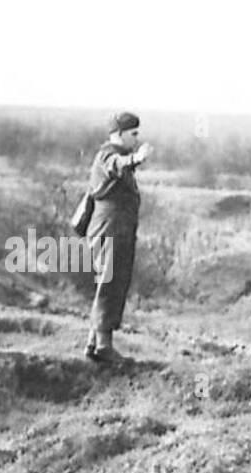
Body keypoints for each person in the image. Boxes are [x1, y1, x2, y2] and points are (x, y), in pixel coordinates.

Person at [84, 111, 152, 363]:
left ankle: (94, 343)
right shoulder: (108, 155)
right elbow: (116, 165)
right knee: (109, 282)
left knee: (112, 281)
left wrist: (132, 158)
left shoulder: (115, 155)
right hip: (109, 227)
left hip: (117, 227)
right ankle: (103, 345)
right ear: (119, 134)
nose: (136, 138)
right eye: (133, 134)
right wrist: (137, 158)